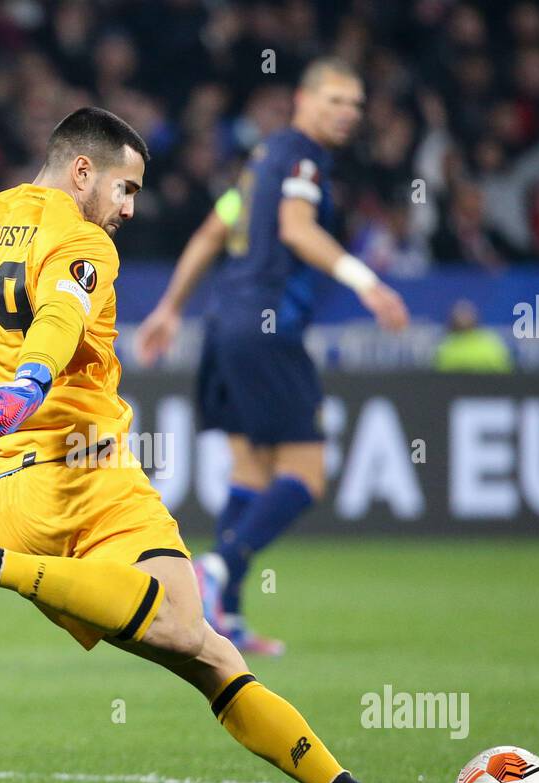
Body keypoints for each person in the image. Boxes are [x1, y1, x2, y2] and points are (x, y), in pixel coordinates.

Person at [0, 106, 421, 783]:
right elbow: (62, 311)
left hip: (11, 490)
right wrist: (29, 383)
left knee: (207, 650)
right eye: (124, 188)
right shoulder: (80, 239)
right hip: (83, 474)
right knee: (185, 627)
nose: (127, 209)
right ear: (81, 170)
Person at [135, 58, 409, 656]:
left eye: (356, 104)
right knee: (306, 477)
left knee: (251, 474)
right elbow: (296, 228)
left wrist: (169, 307)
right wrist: (367, 282)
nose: (348, 114)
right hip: (268, 328)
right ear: (304, 101)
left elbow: (213, 231)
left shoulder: (261, 164)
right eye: (336, 100)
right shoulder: (304, 159)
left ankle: (222, 613)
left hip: (224, 325)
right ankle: (217, 568)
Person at [434, 300, 513, 372]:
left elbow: (505, 371)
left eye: (466, 314)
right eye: (460, 315)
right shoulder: (446, 346)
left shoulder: (490, 343)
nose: (463, 319)